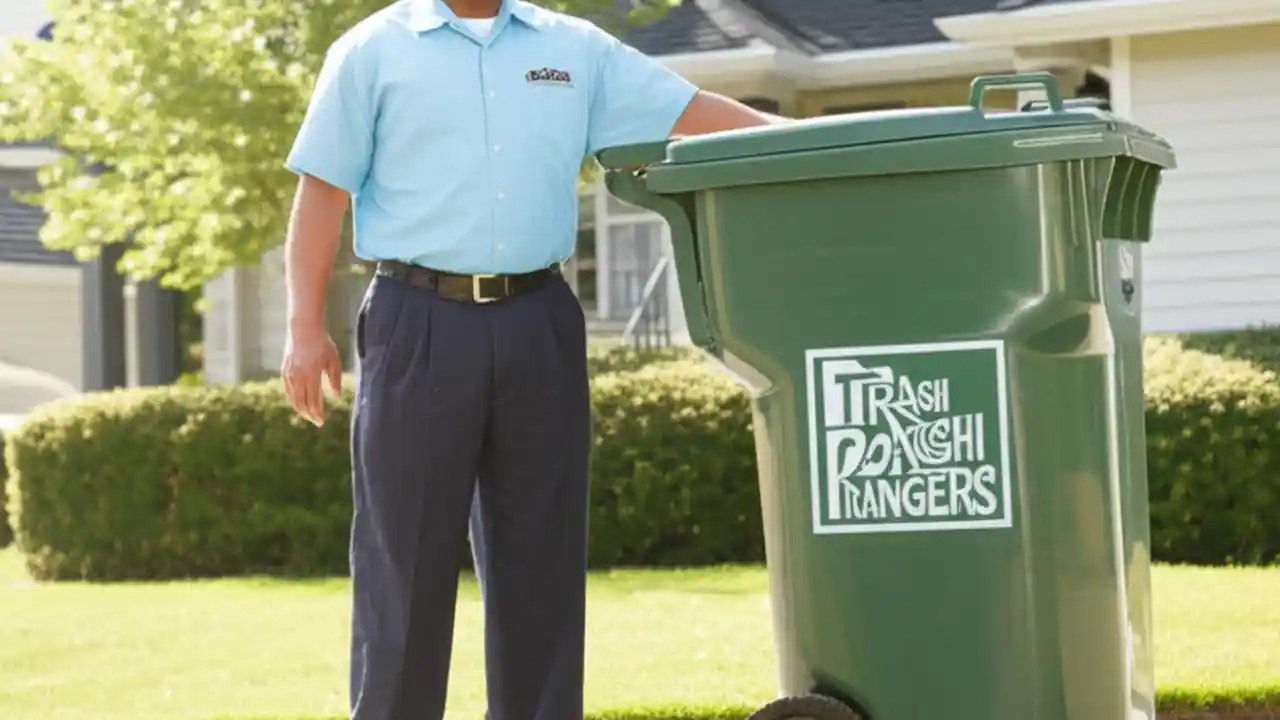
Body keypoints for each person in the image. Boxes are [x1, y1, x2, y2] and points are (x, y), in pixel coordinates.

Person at [280, 1, 778, 718]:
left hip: (538, 322)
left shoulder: (571, 46)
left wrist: (818, 136)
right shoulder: (373, 50)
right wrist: (304, 328)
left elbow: (688, 111)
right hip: (416, 322)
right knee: (405, 568)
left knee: (539, 562)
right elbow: (321, 191)